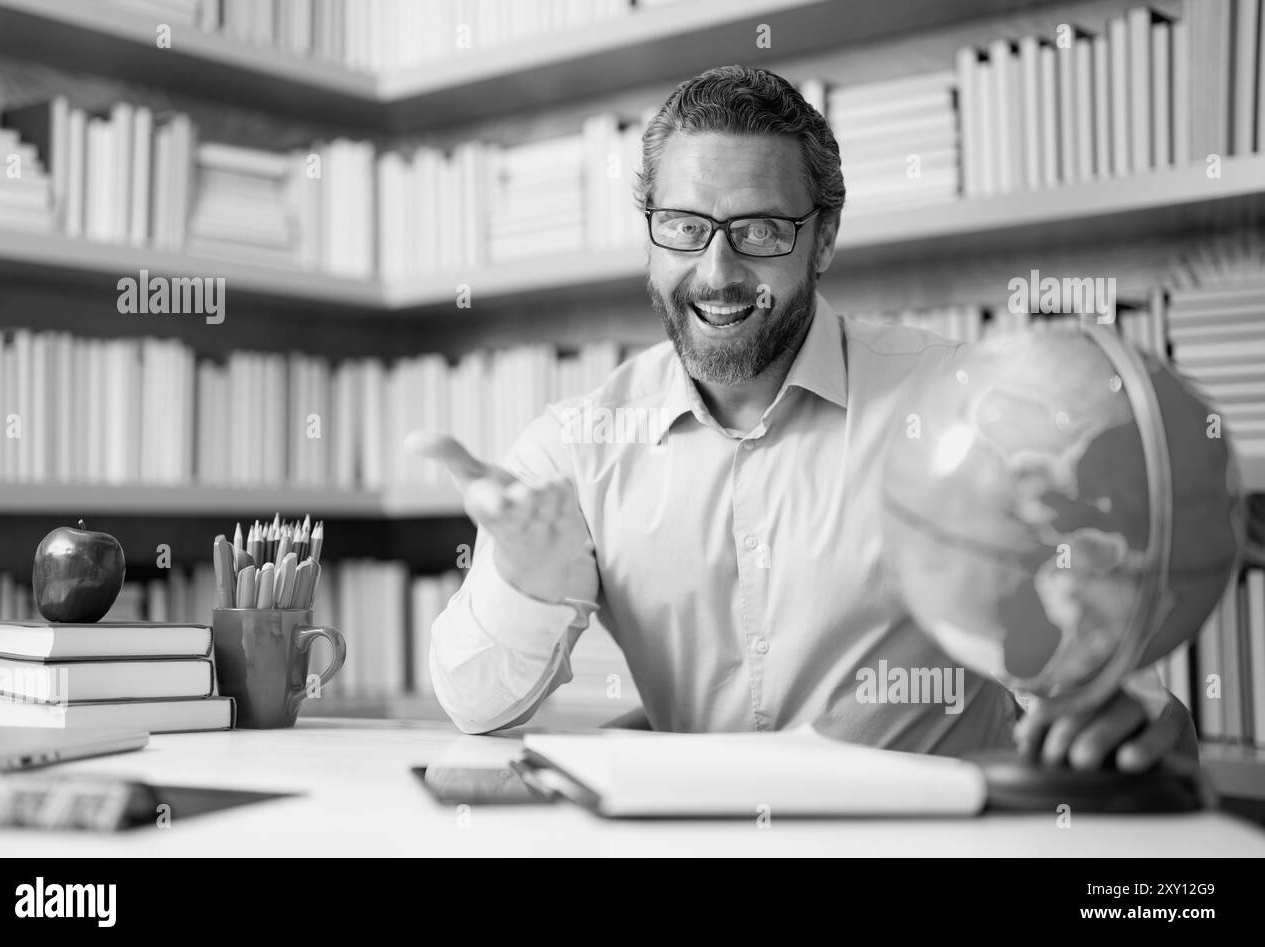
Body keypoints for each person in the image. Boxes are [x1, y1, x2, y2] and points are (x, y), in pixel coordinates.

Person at [410, 65, 1198, 772]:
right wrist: (528, 582)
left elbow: (1105, 680)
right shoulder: (577, 448)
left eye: (758, 231)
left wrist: (1117, 715)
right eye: (684, 227)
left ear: (824, 238)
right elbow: (475, 707)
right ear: (649, 229)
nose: (716, 274)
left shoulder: (964, 407)